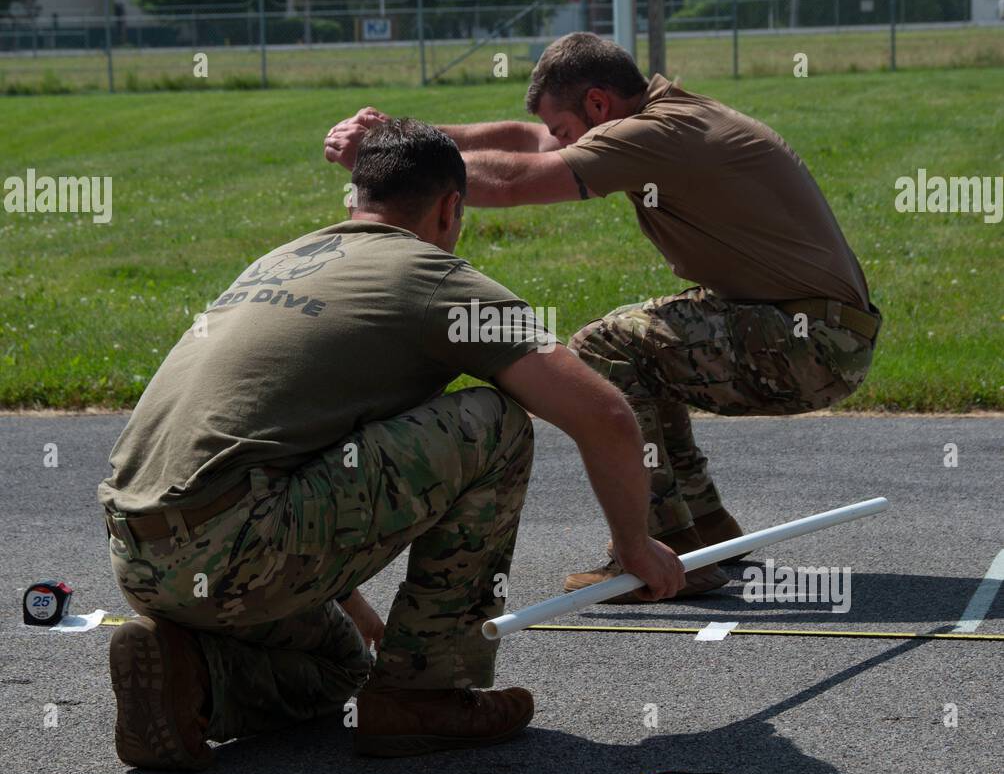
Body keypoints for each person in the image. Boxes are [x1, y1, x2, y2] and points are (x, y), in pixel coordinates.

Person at [100, 118, 684, 771]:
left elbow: (283, 436)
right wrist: (635, 545)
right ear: (450, 208)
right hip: (241, 548)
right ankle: (425, 693)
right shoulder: (432, 279)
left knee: (340, 665)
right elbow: (604, 413)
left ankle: (191, 677)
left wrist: (345, 597)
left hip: (144, 558)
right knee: (496, 422)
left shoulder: (279, 262)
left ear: (354, 200)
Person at [323, 33, 881, 602]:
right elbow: (528, 139)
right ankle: (701, 531)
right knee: (649, 345)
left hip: (811, 346)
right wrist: (405, 136)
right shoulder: (665, 116)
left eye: (566, 130)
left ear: (597, 105)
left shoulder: (655, 134)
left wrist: (384, 167)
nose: (557, 142)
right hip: (812, 331)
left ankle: (654, 554)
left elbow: (516, 179)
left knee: (608, 348)